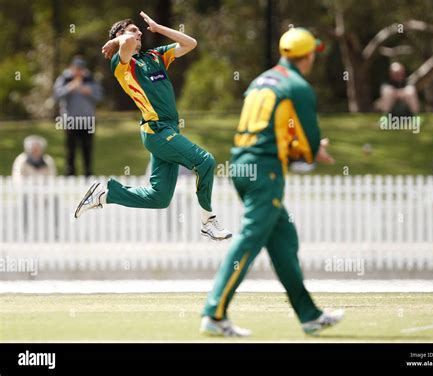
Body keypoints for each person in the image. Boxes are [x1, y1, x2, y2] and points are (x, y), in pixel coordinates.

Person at [200, 28, 344, 337]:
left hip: (242, 164)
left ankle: (309, 315)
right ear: (308, 57)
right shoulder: (298, 87)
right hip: (265, 172)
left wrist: (298, 149)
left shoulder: (260, 80)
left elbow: (268, 131)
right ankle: (214, 312)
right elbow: (308, 146)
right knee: (250, 239)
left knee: (284, 240)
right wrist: (313, 150)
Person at [74, 12, 231, 241]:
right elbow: (126, 43)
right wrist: (117, 41)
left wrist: (159, 28)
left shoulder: (155, 55)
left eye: (139, 29)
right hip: (156, 130)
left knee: (159, 198)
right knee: (205, 161)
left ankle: (105, 196)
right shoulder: (122, 64)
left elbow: (191, 43)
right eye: (132, 29)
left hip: (168, 130)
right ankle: (208, 221)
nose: (139, 32)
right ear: (119, 36)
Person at [54, 56, 103, 176]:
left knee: (87, 149)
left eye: (81, 69)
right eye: (76, 68)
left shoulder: (90, 80)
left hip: (88, 121)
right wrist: (70, 87)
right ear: (71, 68)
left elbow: (100, 96)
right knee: (70, 149)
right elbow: (57, 95)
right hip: (70, 121)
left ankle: (88, 174)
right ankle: (70, 174)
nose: (78, 71)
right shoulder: (64, 79)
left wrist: (89, 91)